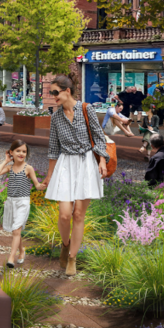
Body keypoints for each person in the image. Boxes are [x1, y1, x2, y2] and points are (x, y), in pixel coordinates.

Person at [45, 73, 110, 277]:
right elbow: (53, 148)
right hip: (65, 164)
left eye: (55, 92)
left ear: (67, 91)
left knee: (78, 215)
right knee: (64, 215)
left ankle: (72, 257)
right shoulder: (55, 117)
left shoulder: (86, 109)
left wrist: (101, 160)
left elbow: (100, 138)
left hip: (86, 164)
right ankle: (66, 245)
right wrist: (48, 177)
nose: (53, 96)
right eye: (50, 93)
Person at [0, 140, 46, 268]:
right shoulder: (10, 167)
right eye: (18, 151)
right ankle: (22, 251)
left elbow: (37, 185)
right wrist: (6, 160)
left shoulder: (28, 168)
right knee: (16, 231)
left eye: (24, 151)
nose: (21, 153)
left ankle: (11, 258)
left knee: (16, 230)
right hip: (11, 202)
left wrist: (42, 186)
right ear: (12, 152)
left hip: (23, 202)